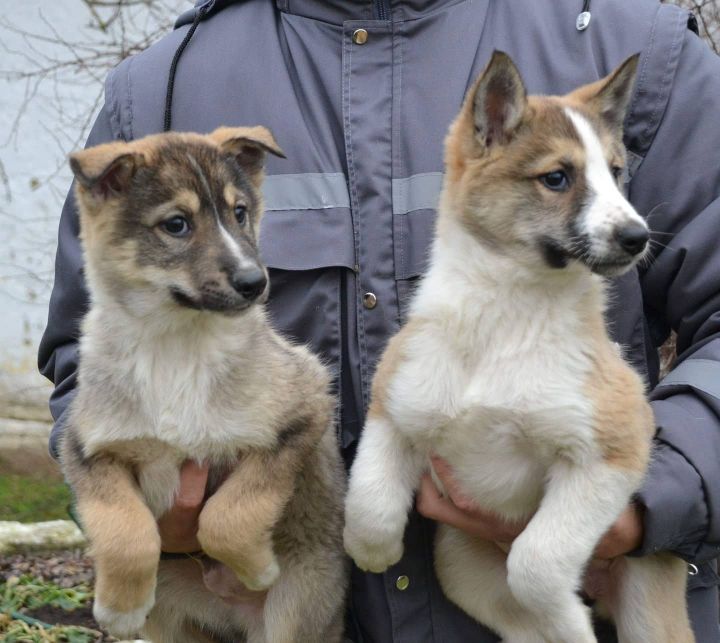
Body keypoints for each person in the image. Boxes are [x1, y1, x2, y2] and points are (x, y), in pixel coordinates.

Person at [39, 0, 720, 640]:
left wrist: (646, 500)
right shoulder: (164, 83)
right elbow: (83, 367)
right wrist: (156, 510)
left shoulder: (639, 50)